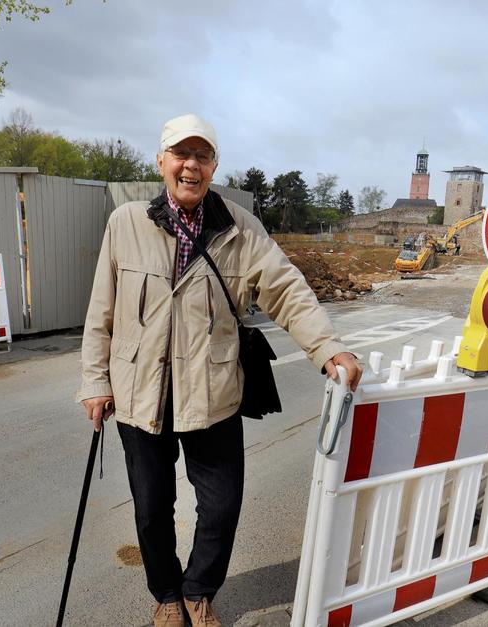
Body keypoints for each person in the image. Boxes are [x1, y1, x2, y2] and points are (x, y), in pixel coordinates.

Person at [76, 113, 361, 627]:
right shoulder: (126, 224)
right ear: (161, 161)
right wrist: (95, 381)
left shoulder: (240, 229)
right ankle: (166, 596)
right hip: (140, 394)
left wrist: (328, 347)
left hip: (213, 392)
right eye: (180, 155)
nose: (190, 166)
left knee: (222, 505)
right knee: (151, 507)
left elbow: (287, 291)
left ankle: (198, 591)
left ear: (213, 166)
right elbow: (102, 311)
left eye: (201, 156)